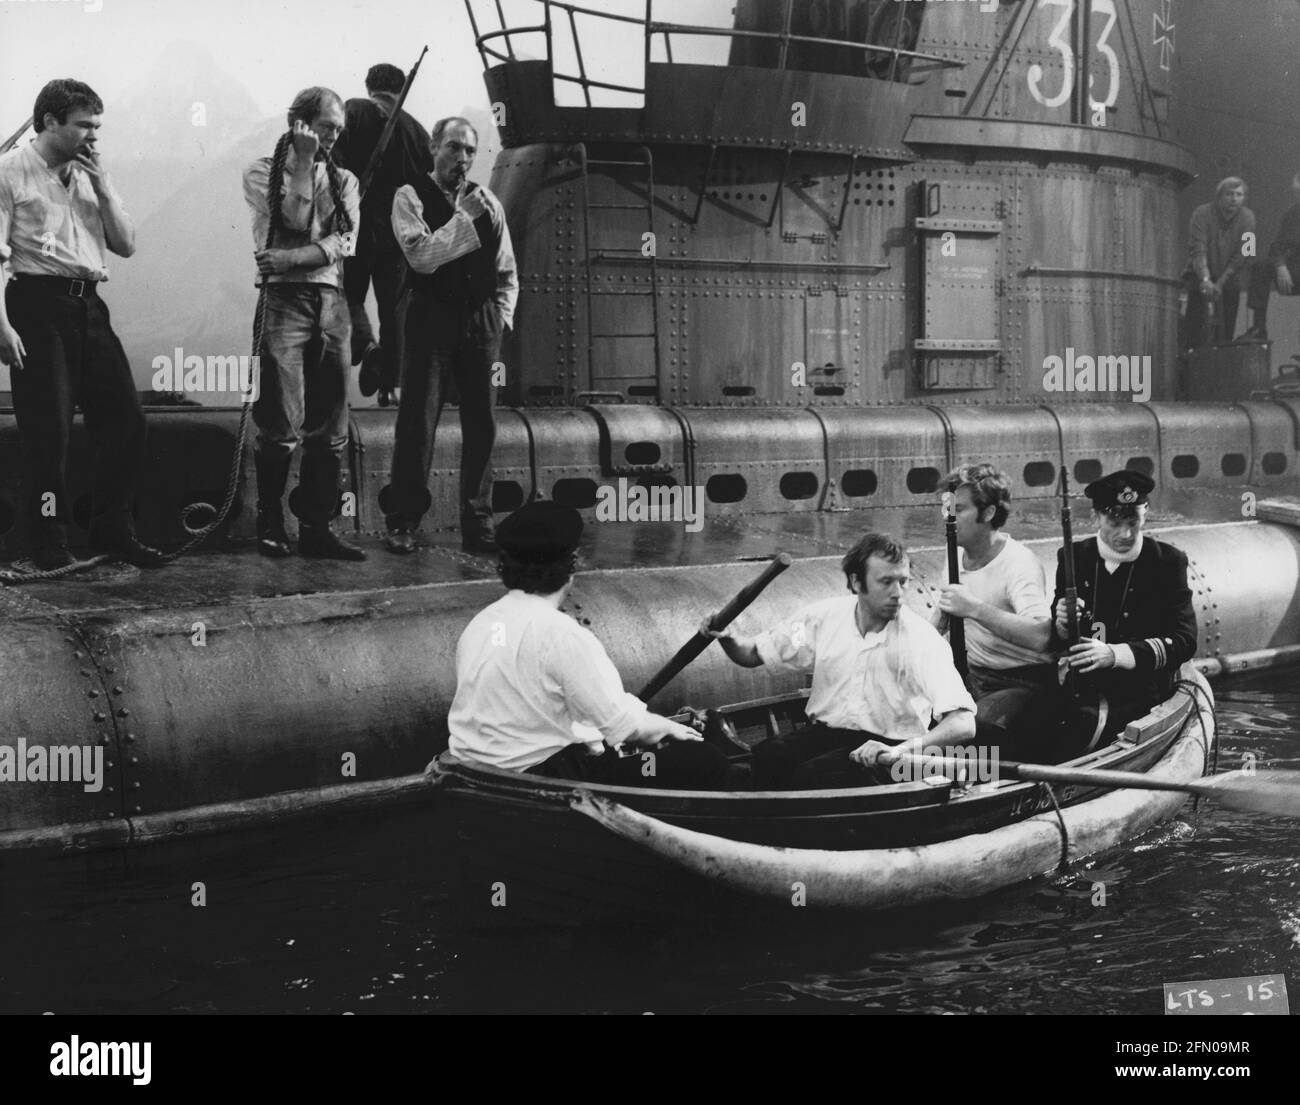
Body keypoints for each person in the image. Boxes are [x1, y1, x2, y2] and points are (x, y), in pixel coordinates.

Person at [446, 500, 729, 789]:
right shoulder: (563, 636)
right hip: (547, 781)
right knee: (700, 759)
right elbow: (631, 729)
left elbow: (523, 692)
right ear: (573, 563)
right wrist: (671, 727)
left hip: (479, 777)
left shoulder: (484, 624)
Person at [0, 79, 164, 570]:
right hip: (34, 303)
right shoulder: (8, 172)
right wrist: (2, 326)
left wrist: (105, 185)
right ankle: (44, 540)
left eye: (97, 126)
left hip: (89, 305)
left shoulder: (91, 174)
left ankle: (112, 530)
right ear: (49, 122)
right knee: (48, 429)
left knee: (126, 421)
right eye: (84, 126)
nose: (93, 136)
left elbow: (126, 244)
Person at [705, 533, 976, 789]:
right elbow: (754, 653)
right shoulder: (820, 620)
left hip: (890, 747)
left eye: (903, 581)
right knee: (768, 756)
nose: (898, 593)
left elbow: (963, 723)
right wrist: (727, 637)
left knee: (812, 778)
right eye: (885, 582)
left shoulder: (921, 640)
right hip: (829, 734)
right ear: (857, 583)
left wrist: (899, 751)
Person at [380, 117, 517, 555]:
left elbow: (506, 269)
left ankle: (478, 524)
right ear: (434, 148)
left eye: (470, 151)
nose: (462, 158)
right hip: (430, 320)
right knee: (418, 422)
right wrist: (463, 220)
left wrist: (499, 318)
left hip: (480, 322)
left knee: (483, 425)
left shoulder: (488, 201)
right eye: (454, 147)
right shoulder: (409, 196)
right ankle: (403, 521)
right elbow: (422, 258)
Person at [242, 86, 365, 561]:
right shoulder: (260, 173)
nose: (333, 137)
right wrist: (301, 162)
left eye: (338, 129)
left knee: (331, 426)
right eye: (327, 127)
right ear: (300, 124)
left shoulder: (346, 180)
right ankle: (270, 520)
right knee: (280, 423)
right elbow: (293, 216)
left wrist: (291, 258)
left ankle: (316, 526)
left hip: (331, 303)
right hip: (284, 304)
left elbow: (347, 241)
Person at [1052, 470, 1198, 757]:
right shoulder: (1073, 557)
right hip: (1083, 688)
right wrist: (1060, 623)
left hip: (1140, 692)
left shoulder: (1167, 562)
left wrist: (1115, 654)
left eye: (1133, 522)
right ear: (1096, 517)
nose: (1125, 534)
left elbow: (1184, 641)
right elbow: (1060, 641)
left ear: (1145, 514)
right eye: (1114, 523)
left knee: (1080, 735)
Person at [936, 464, 1058, 760]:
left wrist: (975, 609)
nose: (947, 517)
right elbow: (940, 624)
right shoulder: (955, 557)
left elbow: (1041, 636)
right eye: (946, 507)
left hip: (1023, 683)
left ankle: (978, 788)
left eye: (958, 508)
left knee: (973, 730)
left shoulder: (1018, 563)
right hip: (975, 678)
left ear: (988, 513)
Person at [332, 62, 433, 405]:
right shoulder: (418, 132)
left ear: (368, 85)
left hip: (356, 225)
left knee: (345, 292)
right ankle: (390, 386)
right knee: (395, 309)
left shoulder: (354, 111)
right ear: (401, 87)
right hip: (398, 233)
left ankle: (366, 345)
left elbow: (335, 164)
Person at [1183, 176, 1255, 348]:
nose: (1234, 199)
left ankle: (1223, 351)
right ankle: (1192, 354)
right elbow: (1197, 248)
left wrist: (1220, 283)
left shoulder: (1249, 217)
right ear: (1219, 196)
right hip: (1199, 272)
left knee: (1228, 319)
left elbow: (1245, 253)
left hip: (1229, 275)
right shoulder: (1201, 213)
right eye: (1229, 194)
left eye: (1239, 194)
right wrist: (1205, 279)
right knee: (1195, 318)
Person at [1238, 171, 1300, 344]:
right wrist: (1280, 266)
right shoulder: (1294, 213)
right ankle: (1259, 328)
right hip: (1296, 269)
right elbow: (1278, 245)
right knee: (1260, 267)